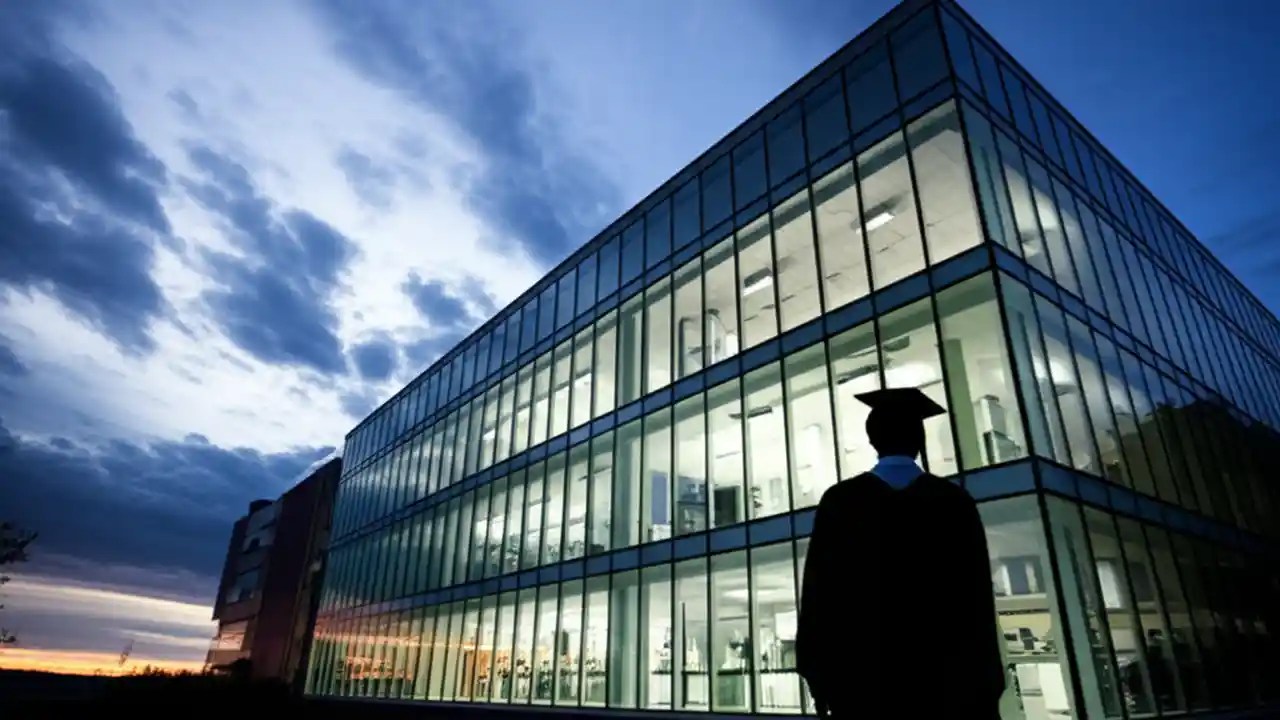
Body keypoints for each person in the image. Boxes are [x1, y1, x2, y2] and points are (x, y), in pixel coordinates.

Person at [796, 388, 1004, 717]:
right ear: (919, 441)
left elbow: (819, 595)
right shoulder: (953, 502)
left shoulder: (841, 501)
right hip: (945, 684)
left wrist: (817, 674)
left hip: (862, 683)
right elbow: (976, 596)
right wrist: (986, 682)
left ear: (871, 439)